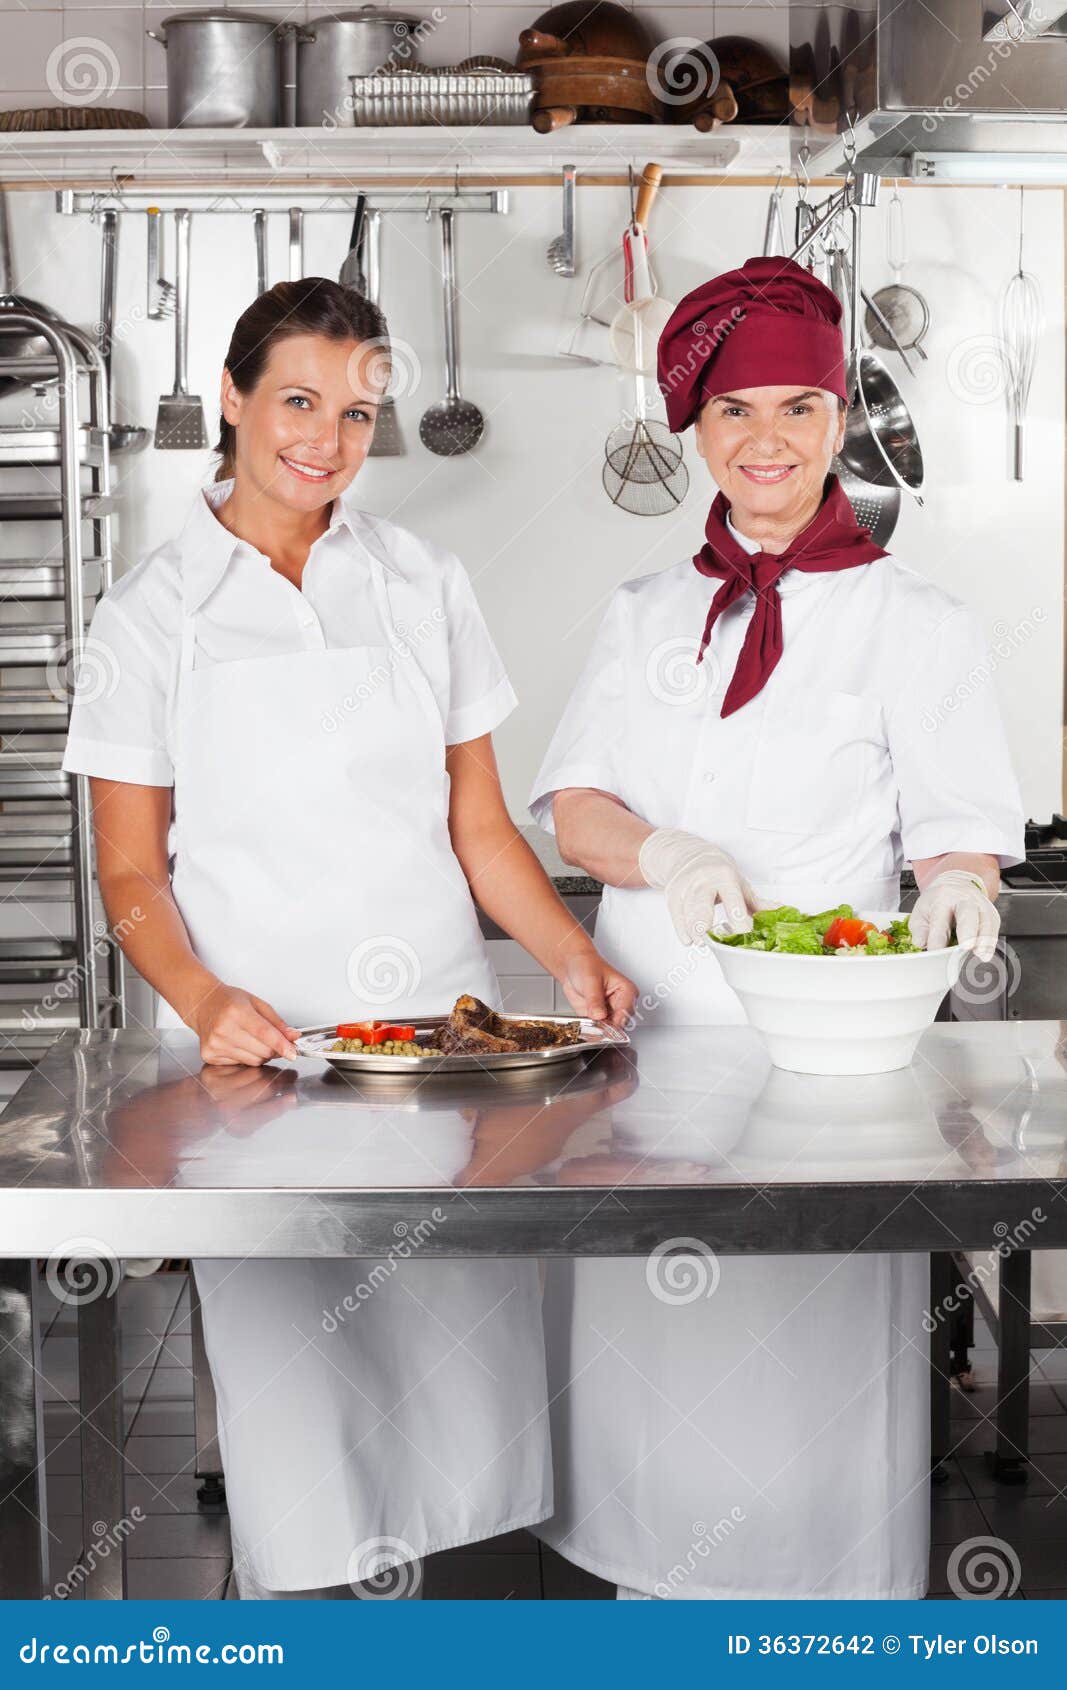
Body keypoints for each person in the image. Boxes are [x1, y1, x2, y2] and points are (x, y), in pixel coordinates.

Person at [62, 277, 635, 1598]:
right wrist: (208, 999)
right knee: (299, 1412)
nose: (325, 438)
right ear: (234, 398)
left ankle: (476, 1621)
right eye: (300, 401)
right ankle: (315, 1627)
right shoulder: (152, 613)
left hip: (439, 1049)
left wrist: (568, 958)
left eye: (358, 411)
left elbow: (482, 830)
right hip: (251, 1072)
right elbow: (132, 871)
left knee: (464, 1382)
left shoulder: (419, 579)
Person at [528, 256, 1025, 1599]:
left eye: (798, 409)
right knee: (650, 1386)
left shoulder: (918, 622)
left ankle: (831, 1616)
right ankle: (650, 1608)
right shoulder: (643, 617)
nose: (767, 441)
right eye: (736, 411)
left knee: (812, 1372)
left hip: (833, 1065)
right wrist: (668, 851)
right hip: (653, 1060)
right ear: (695, 426)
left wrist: (956, 889)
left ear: (837, 421)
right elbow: (576, 813)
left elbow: (958, 829)